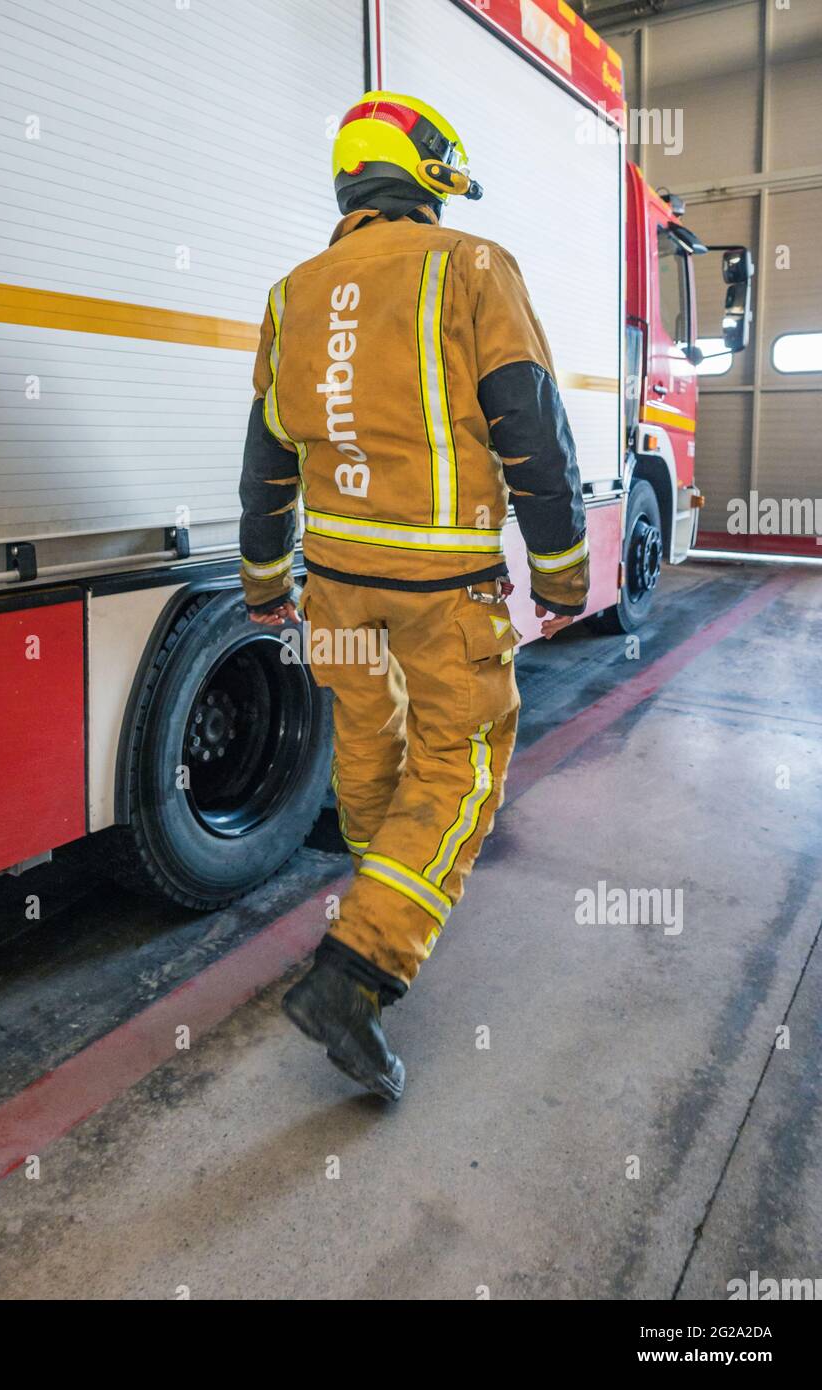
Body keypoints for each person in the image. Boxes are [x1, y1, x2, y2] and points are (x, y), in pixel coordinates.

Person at [238, 92, 588, 1100]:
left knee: (369, 741)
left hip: (337, 586)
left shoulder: (293, 291)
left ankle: (374, 890)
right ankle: (357, 969)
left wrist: (267, 580)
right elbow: (530, 425)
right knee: (462, 763)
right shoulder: (473, 266)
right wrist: (560, 568)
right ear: (425, 171)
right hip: (442, 587)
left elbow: (267, 456)